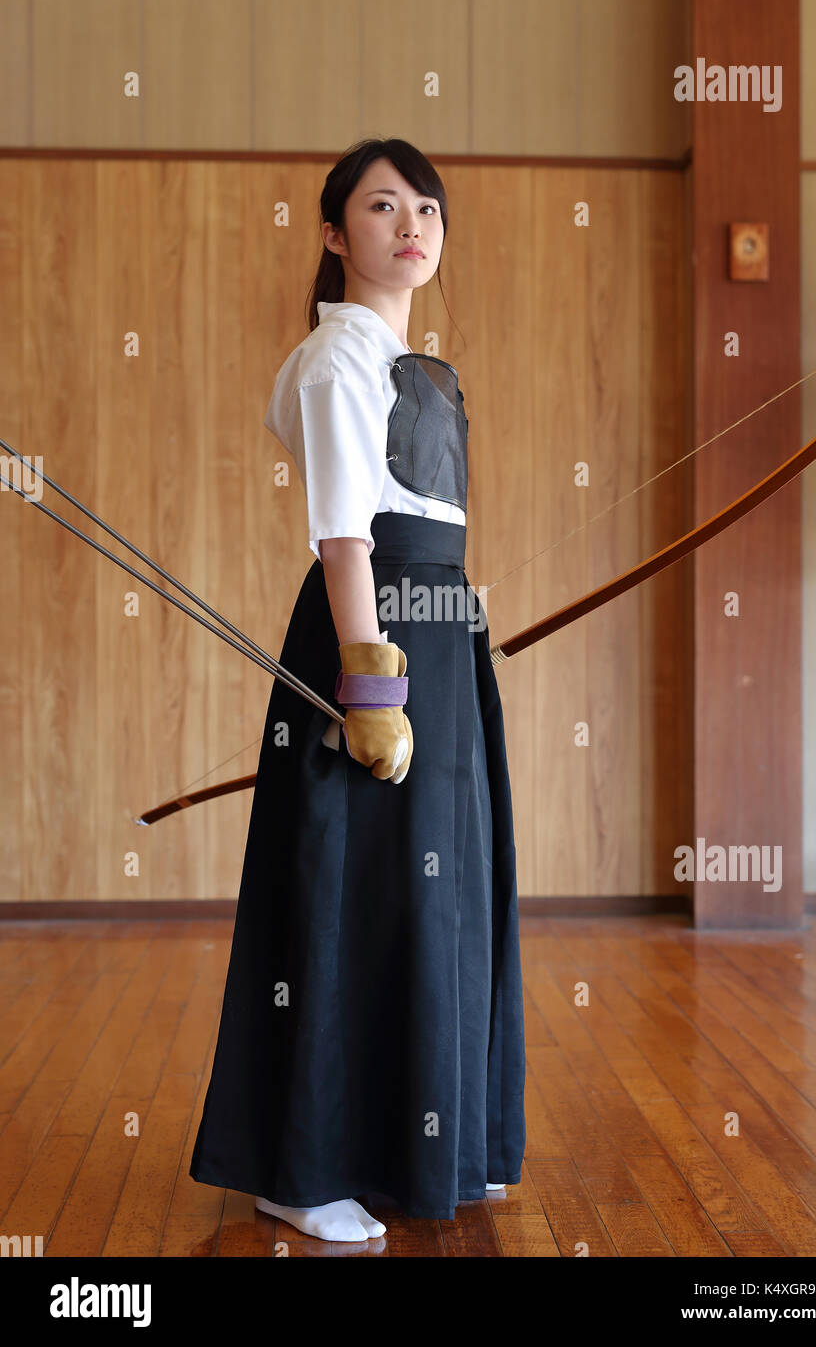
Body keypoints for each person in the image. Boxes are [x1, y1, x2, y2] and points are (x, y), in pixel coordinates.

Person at [189, 137, 526, 1244]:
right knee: (344, 884)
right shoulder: (336, 359)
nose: (411, 225)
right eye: (382, 207)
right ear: (335, 233)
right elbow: (344, 533)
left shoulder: (408, 363)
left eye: (426, 207)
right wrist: (368, 682)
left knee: (435, 887)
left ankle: (420, 1143)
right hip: (371, 628)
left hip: (432, 626)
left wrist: (443, 639)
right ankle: (303, 1163)